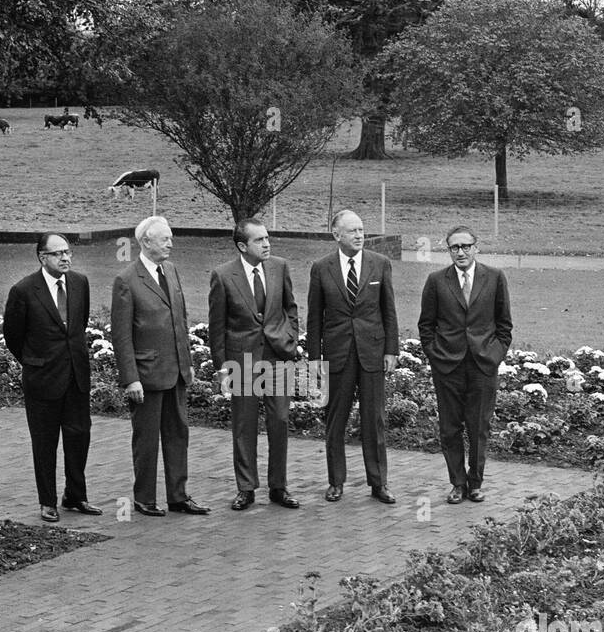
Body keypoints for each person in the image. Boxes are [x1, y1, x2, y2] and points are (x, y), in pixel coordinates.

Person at [110, 215, 210, 516]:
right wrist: (131, 379)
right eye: (164, 238)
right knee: (147, 440)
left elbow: (180, 319)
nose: (170, 242)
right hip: (147, 374)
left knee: (178, 435)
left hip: (176, 371)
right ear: (145, 242)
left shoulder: (171, 270)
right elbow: (121, 334)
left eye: (170, 237)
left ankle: (178, 496)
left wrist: (188, 363)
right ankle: (144, 499)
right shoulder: (126, 280)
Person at [2, 232, 102, 521]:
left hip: (75, 377)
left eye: (68, 252)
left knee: (79, 436)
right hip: (42, 380)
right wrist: (35, 362)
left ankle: (75, 496)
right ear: (42, 257)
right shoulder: (23, 291)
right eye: (58, 253)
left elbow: (78, 326)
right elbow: (13, 336)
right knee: (45, 442)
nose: (65, 258)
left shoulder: (80, 283)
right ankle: (47, 501)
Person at [305, 209, 399, 504]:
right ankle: (336, 481)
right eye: (352, 231)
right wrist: (315, 360)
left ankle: (378, 483)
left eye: (361, 230)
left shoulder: (380, 264)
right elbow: (314, 318)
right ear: (336, 235)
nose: (359, 236)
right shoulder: (321, 268)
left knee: (374, 421)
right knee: (336, 421)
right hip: (337, 355)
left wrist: (391, 350)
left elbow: (389, 311)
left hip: (372, 353)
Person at [208, 218, 301, 511]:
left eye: (267, 238)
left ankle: (278, 487)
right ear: (242, 245)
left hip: (277, 357)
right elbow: (217, 325)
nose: (266, 244)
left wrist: (289, 338)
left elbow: (291, 308)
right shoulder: (223, 276)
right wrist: (222, 366)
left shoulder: (279, 267)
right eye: (259, 240)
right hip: (242, 359)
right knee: (244, 425)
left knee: (280, 421)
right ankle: (246, 488)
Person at [417, 226, 513, 504]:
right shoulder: (436, 281)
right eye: (454, 248)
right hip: (448, 366)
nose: (460, 252)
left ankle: (475, 483)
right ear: (448, 250)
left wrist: (494, 355)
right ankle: (457, 483)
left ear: (476, 247)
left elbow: (504, 325)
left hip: (483, 365)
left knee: (479, 427)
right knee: (450, 427)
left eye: (465, 246)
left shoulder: (494, 278)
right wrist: (435, 355)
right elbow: (426, 326)